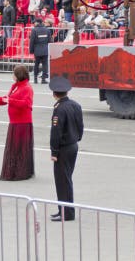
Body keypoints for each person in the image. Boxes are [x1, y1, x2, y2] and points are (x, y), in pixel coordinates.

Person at [0, 65, 34, 180]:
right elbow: (5, 99)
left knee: (18, 148)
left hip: (22, 123)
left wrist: (10, 100)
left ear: (18, 75)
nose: (12, 75)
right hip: (14, 122)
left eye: (13, 73)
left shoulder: (27, 88)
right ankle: (16, 170)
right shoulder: (15, 86)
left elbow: (26, 104)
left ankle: (20, 172)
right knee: (15, 148)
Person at [48, 77, 84, 222]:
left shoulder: (59, 109)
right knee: (66, 179)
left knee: (62, 181)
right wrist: (77, 137)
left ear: (54, 94)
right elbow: (80, 126)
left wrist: (54, 152)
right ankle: (63, 209)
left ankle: (67, 213)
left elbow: (56, 133)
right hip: (73, 145)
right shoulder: (75, 105)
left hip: (63, 149)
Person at [29, 18, 51, 84]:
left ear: (38, 23)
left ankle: (35, 79)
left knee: (36, 64)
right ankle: (43, 79)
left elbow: (32, 41)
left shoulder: (34, 30)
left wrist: (31, 50)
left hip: (37, 49)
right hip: (45, 49)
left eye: (35, 22)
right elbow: (49, 41)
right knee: (45, 65)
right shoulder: (47, 30)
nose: (34, 23)